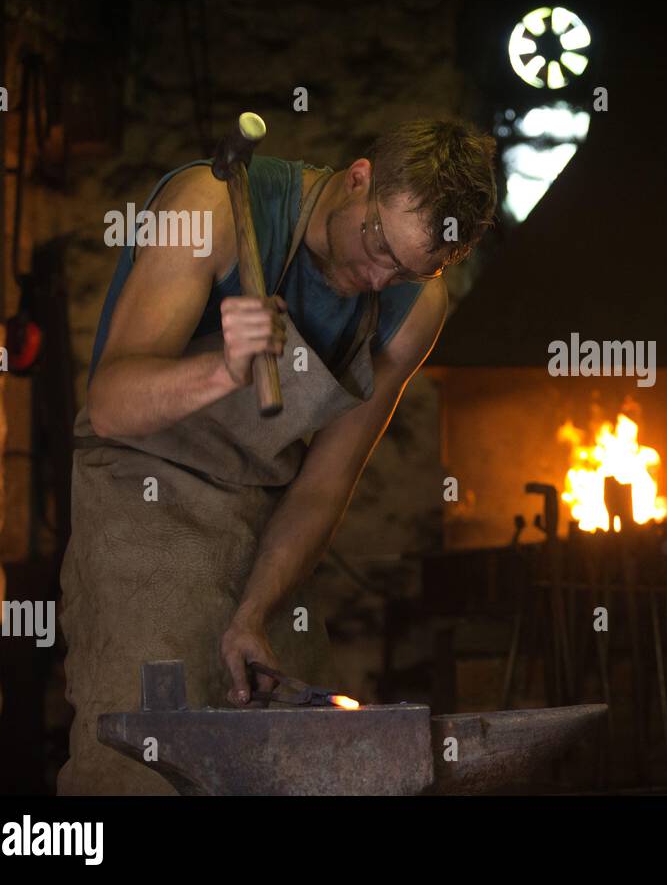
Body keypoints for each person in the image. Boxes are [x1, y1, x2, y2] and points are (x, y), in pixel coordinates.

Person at [57, 119, 498, 794]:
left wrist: (254, 611)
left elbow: (324, 486)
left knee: (291, 762)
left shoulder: (414, 308)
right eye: (379, 242)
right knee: (144, 765)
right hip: (144, 493)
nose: (379, 277)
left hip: (266, 515)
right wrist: (220, 373)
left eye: (412, 268)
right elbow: (112, 402)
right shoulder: (213, 207)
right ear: (359, 178)